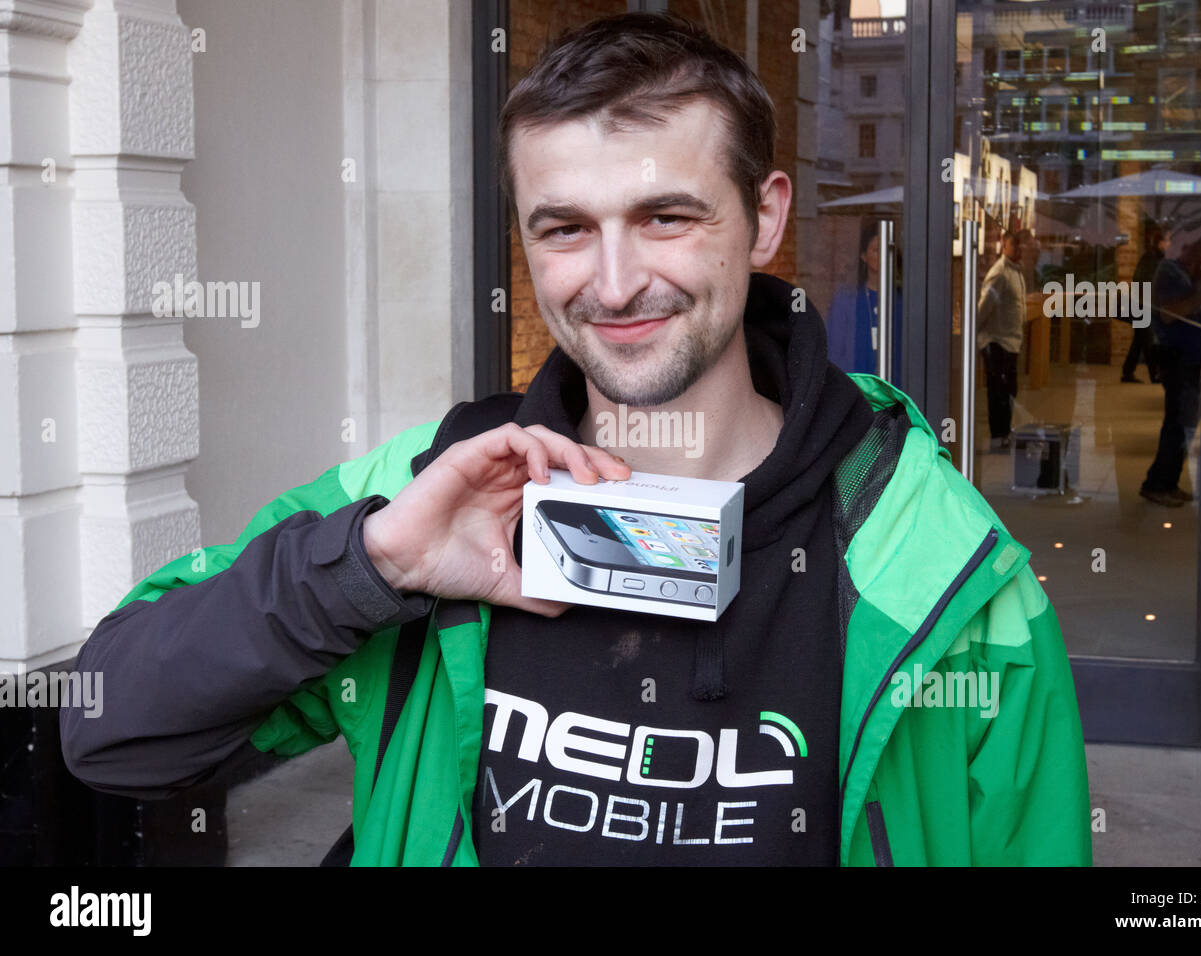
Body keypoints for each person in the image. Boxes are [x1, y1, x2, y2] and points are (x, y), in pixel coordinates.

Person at [60, 12, 1090, 866]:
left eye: (665, 217)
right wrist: (368, 565)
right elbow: (109, 730)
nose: (612, 282)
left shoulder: (941, 560)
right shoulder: (418, 487)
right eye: (564, 228)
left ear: (765, 218)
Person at [1139, 229, 1201, 508]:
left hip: (1190, 358)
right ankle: (1157, 484)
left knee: (1184, 422)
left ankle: (1168, 481)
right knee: (1178, 422)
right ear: (1186, 247)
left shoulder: (1189, 274)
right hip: (1175, 357)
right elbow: (1168, 313)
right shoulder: (1169, 272)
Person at [975, 228, 1029, 451]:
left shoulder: (1016, 271)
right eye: (1013, 245)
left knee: (1008, 391)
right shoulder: (999, 273)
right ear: (1004, 246)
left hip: (1010, 341)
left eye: (1020, 246)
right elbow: (985, 306)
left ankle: (1005, 433)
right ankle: (999, 436)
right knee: (999, 392)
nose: (1018, 249)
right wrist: (975, 330)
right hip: (997, 342)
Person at [826, 222, 903, 377]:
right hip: (857, 387)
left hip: (895, 389)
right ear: (863, 256)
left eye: (888, 250)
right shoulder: (847, 300)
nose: (883, 256)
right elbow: (834, 351)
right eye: (876, 250)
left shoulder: (902, 300)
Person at [1121, 224, 1168, 384]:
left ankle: (1129, 372)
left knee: (1141, 338)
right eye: (1167, 240)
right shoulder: (1151, 259)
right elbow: (1145, 282)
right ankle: (1154, 374)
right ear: (1159, 242)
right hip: (1144, 305)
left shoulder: (1153, 259)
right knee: (1147, 338)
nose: (1169, 244)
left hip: (1144, 304)